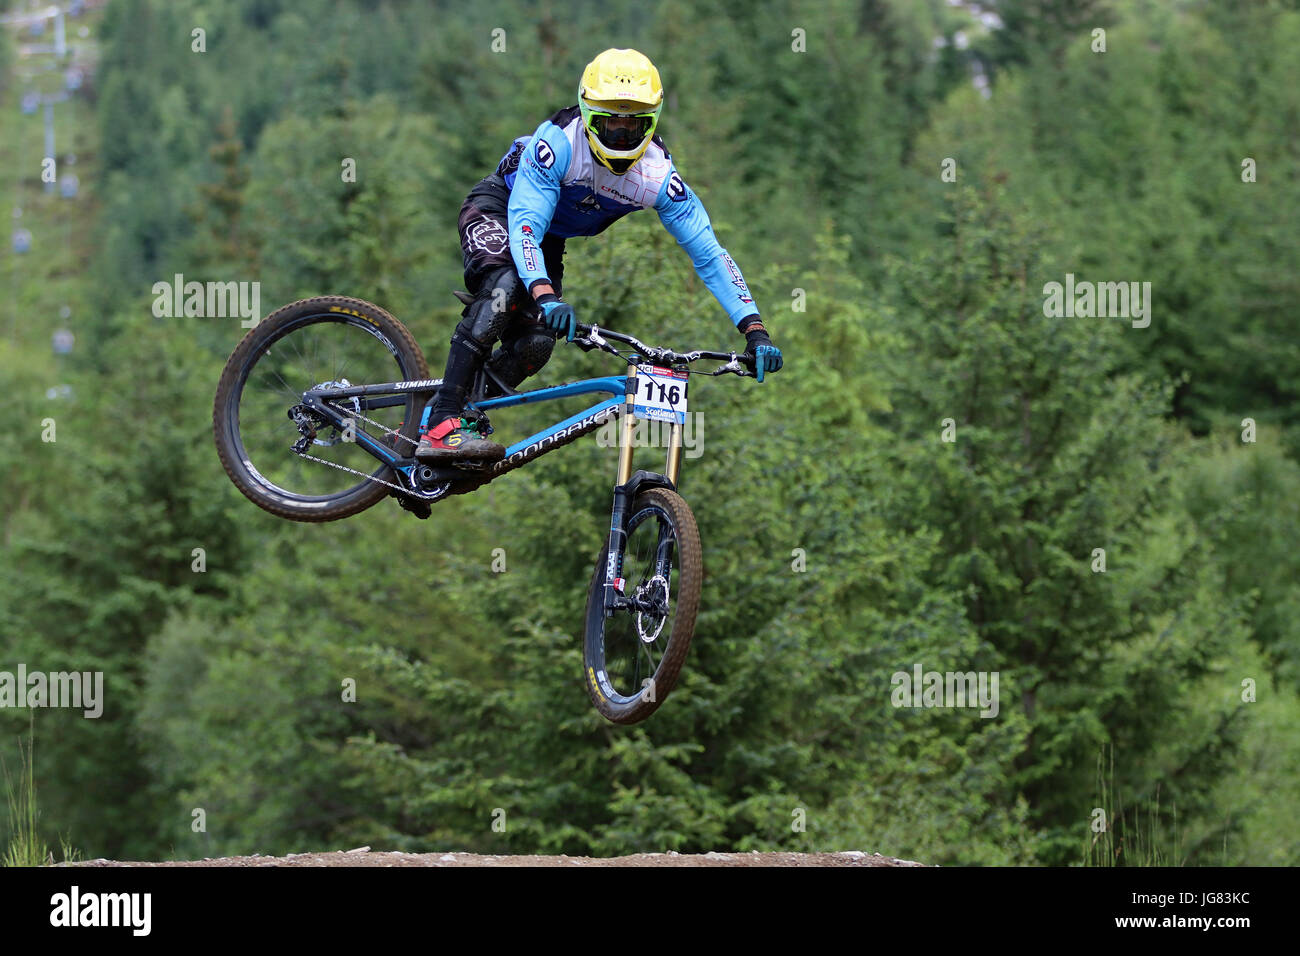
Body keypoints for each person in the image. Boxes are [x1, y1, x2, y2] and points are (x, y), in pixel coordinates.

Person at [416, 47, 782, 461]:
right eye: (611, 125)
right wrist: (545, 293)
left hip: (547, 236)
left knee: (536, 343)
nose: (622, 137)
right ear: (589, 114)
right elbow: (524, 227)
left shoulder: (659, 176)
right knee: (504, 287)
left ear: (652, 123)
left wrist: (755, 331)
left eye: (633, 126)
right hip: (503, 209)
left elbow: (710, 256)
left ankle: (463, 415)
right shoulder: (557, 143)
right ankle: (440, 422)